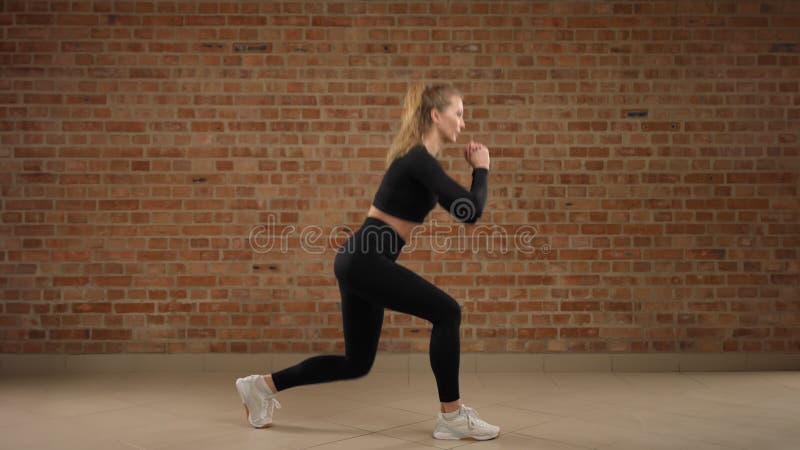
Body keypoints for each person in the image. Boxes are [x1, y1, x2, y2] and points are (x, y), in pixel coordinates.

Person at [235, 83, 500, 441]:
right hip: (364, 259)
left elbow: (462, 208)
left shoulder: (420, 161)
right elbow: (471, 211)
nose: (463, 123)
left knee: (356, 362)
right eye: (459, 113)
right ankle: (451, 417)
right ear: (436, 116)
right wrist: (481, 169)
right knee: (447, 312)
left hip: (359, 259)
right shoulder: (417, 158)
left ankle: (260, 387)